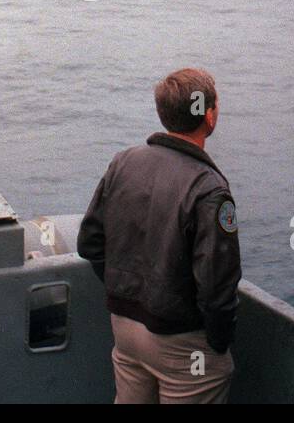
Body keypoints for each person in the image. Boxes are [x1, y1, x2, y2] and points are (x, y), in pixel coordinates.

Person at [78, 68, 241, 404]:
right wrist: (217, 345)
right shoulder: (209, 188)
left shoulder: (123, 162)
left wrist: (127, 294)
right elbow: (216, 286)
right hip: (183, 347)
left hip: (126, 332)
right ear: (209, 116)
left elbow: (90, 243)